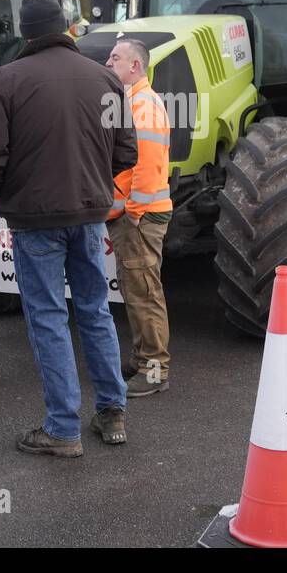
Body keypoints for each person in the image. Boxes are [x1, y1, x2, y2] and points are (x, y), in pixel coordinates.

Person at [0, 0, 137, 457]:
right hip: (90, 215)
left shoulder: (8, 79)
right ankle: (112, 412)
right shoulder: (105, 78)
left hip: (35, 219)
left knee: (48, 318)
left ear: (26, 33)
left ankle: (63, 429)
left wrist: (7, 192)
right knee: (95, 310)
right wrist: (94, 181)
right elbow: (128, 152)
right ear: (66, 27)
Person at [104, 39, 173, 396]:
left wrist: (132, 213)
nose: (107, 61)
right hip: (138, 215)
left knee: (144, 292)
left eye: (115, 57)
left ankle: (153, 369)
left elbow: (146, 167)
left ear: (135, 66)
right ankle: (143, 357)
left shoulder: (141, 106)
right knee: (138, 290)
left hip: (140, 219)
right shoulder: (135, 101)